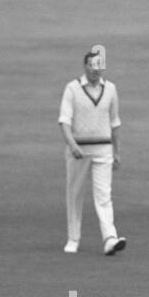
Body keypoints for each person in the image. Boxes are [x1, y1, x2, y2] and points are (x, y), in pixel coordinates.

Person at [58, 44, 125, 256]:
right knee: (75, 194)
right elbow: (64, 122)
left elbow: (114, 122)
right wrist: (73, 145)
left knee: (104, 195)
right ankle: (73, 238)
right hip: (79, 150)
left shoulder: (111, 89)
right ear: (85, 66)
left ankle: (109, 238)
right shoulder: (72, 89)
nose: (96, 69)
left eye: (99, 66)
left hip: (103, 149)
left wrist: (117, 152)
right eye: (92, 65)